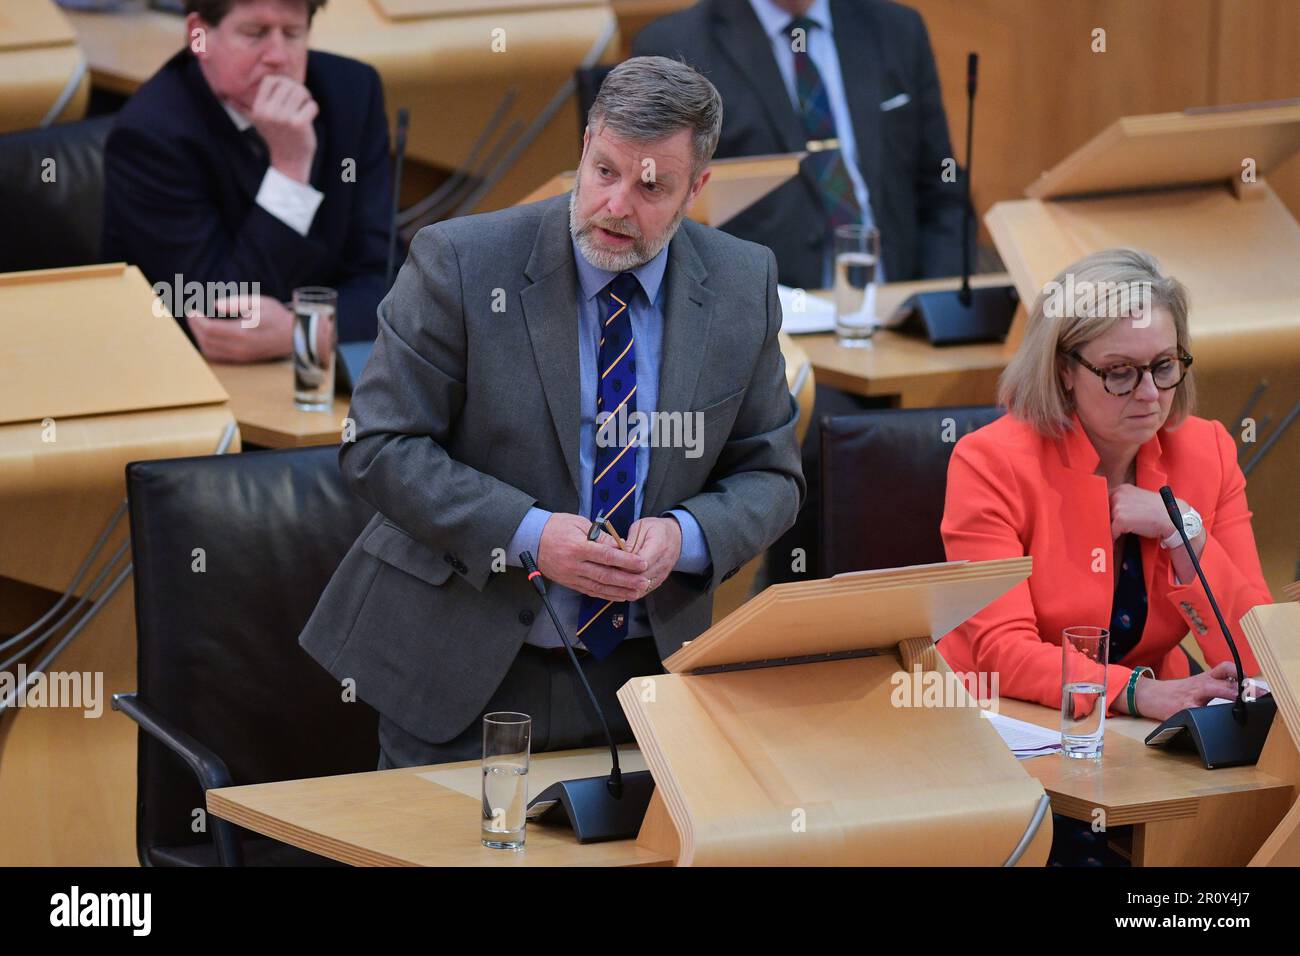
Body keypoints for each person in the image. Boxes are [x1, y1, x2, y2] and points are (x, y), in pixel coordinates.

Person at [299, 56, 805, 768]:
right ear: (585, 148)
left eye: (652, 186)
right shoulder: (463, 262)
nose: (617, 206)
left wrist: (686, 535)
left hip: (645, 677)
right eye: (604, 171)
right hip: (464, 666)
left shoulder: (741, 282)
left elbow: (772, 476)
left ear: (698, 188)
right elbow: (380, 444)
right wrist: (530, 534)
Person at [941, 249, 1271, 722]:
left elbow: (1258, 658)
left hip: (1144, 727)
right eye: (1119, 372)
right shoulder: (989, 462)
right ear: (1064, 371)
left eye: (1163, 366)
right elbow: (1003, 652)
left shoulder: (1209, 451)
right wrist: (1138, 692)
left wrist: (1185, 534)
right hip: (1001, 716)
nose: (1149, 394)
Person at [102, 0, 391, 360]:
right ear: (199, 35)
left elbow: (383, 279)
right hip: (183, 370)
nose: (277, 56)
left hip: (325, 372)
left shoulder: (352, 94)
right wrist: (290, 169)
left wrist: (302, 332)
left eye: (292, 34)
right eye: (254, 34)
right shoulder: (151, 135)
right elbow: (221, 312)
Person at [633, 0, 966, 289]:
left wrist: (933, 300)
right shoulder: (676, 47)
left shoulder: (897, 30)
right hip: (771, 322)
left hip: (895, 311)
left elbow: (944, 186)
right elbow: (660, 209)